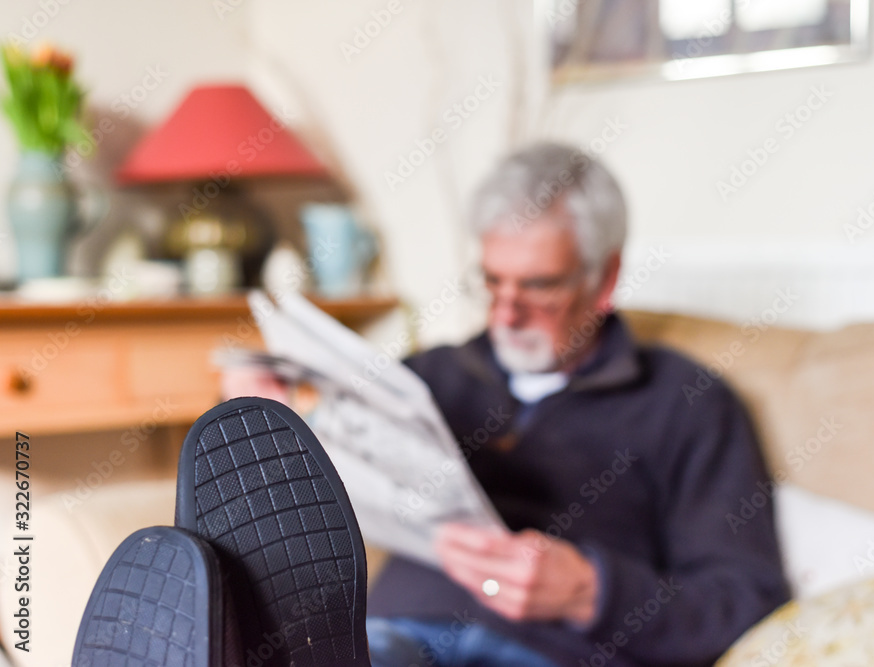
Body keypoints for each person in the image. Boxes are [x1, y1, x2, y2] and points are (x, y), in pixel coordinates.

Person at [228, 142, 790, 667]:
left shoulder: (686, 402)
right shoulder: (432, 376)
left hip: (554, 650)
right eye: (493, 282)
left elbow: (745, 598)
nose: (504, 315)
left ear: (604, 279)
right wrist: (273, 427)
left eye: (538, 286)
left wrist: (592, 589)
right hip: (395, 636)